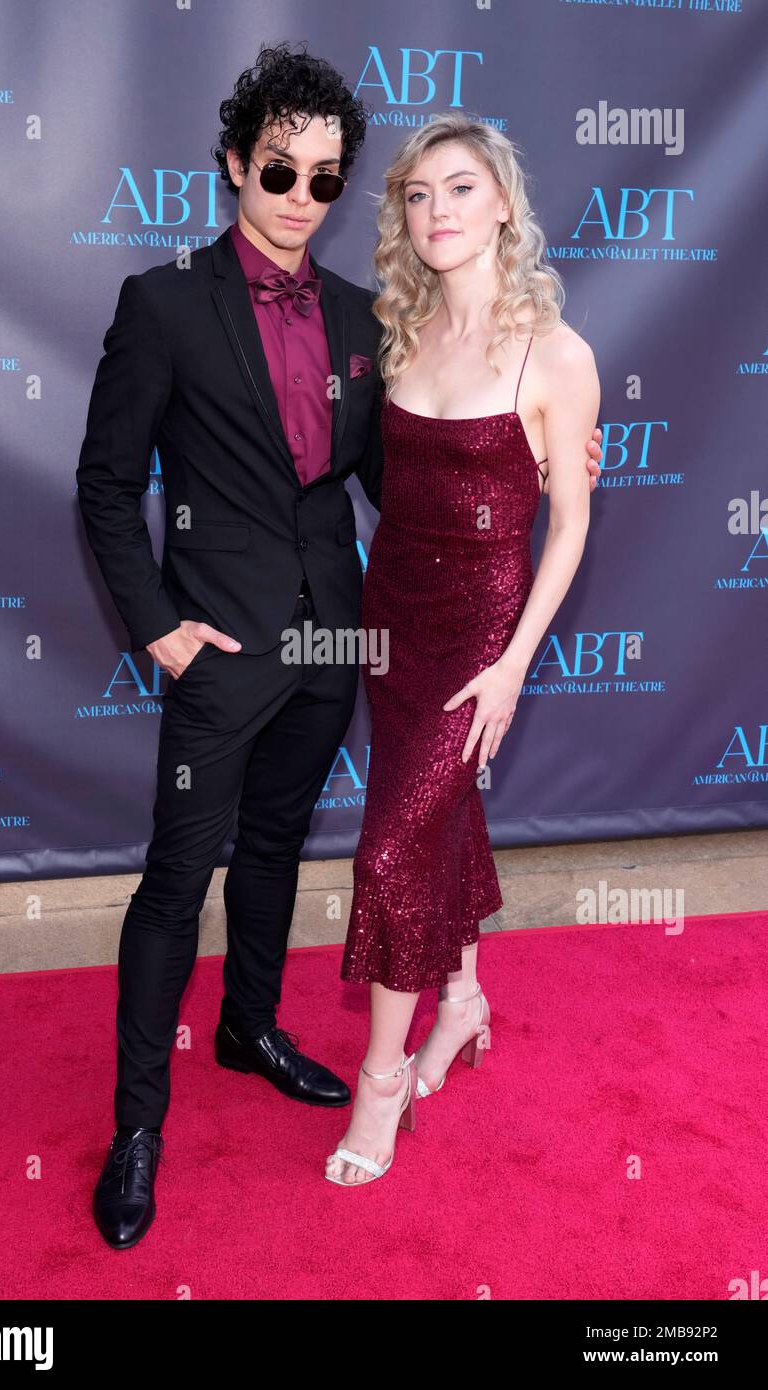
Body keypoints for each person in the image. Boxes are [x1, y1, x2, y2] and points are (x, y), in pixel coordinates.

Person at [76, 44, 603, 1245]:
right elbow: (104, 485)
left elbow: (401, 472)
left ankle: (250, 1026)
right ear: (233, 164)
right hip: (217, 648)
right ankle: (138, 1126)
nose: (299, 197)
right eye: (277, 170)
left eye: (323, 178)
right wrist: (156, 628)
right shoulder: (161, 304)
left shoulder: (372, 321)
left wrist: (543, 463)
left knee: (276, 848)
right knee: (175, 882)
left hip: (342, 639)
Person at [326, 114, 601, 1186]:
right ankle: (463, 1001)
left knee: (389, 849)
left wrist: (514, 663)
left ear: (502, 207)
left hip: (481, 631)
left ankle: (380, 1079)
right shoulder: (399, 332)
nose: (436, 210)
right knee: (438, 818)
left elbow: (568, 527)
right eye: (416, 194)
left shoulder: (556, 352)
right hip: (392, 612)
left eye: (459, 188)